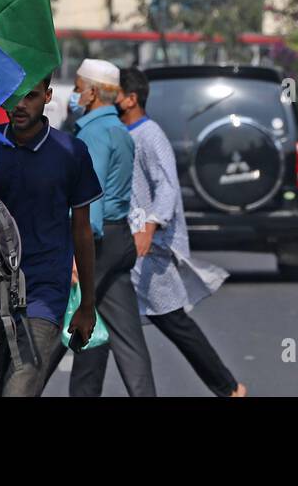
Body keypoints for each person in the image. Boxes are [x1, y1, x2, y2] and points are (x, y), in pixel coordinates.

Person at [115, 67, 247, 397]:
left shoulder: (150, 135)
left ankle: (229, 387)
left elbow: (167, 188)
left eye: (112, 91)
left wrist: (149, 227)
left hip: (149, 251)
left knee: (174, 322)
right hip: (125, 247)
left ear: (131, 99)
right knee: (105, 327)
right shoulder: (121, 133)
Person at [42, 59, 157, 396]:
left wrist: (78, 257)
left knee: (50, 333)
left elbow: (89, 200)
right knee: (127, 342)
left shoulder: (91, 134)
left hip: (96, 243)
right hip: (118, 238)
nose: (75, 95)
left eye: (77, 88)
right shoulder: (120, 130)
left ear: (92, 93)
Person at [0, 77, 102, 396]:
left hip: (45, 292)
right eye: (15, 96)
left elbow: (82, 230)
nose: (21, 105)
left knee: (19, 390)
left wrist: (87, 304)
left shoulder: (70, 152)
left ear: (47, 97)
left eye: (31, 96)